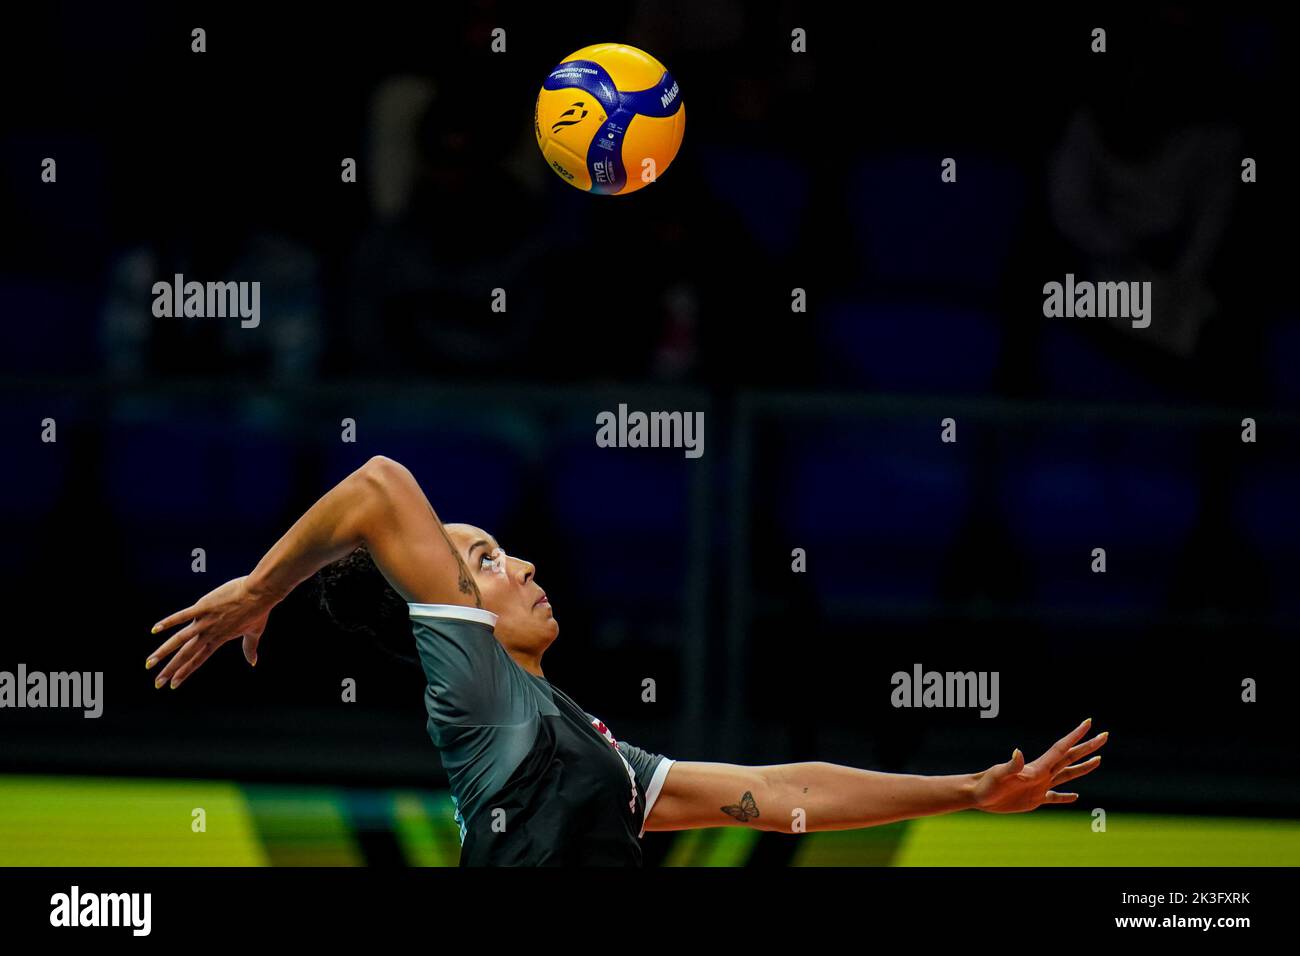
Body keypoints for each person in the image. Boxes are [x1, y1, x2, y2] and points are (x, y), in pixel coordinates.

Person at [146, 455, 1109, 865]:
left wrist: (970, 790)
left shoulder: (581, 745)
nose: (520, 561)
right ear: (447, 614)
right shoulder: (476, 695)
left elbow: (780, 795)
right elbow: (380, 484)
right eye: (482, 561)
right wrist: (261, 588)